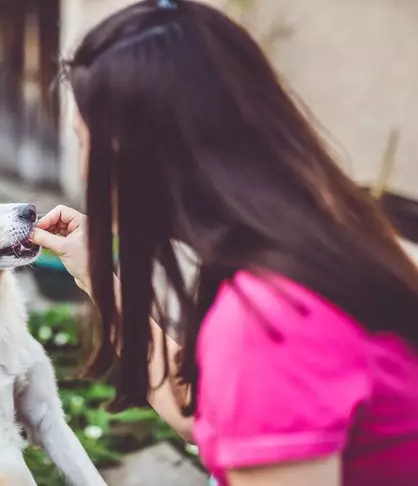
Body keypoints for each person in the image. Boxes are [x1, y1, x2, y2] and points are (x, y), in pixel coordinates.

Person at [29, 1, 418, 485]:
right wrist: (96, 274)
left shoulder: (269, 324)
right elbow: (201, 410)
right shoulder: (328, 233)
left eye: (85, 142)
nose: (85, 170)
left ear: (140, 156)